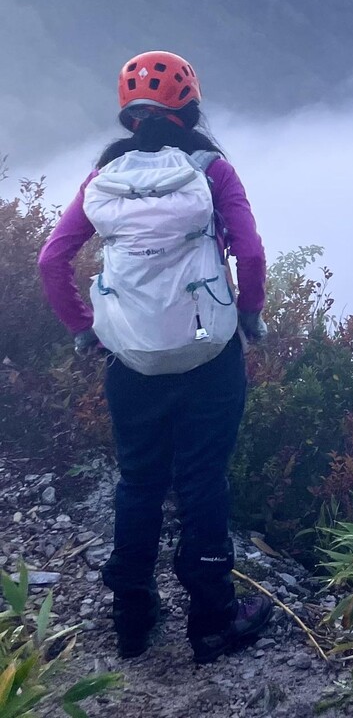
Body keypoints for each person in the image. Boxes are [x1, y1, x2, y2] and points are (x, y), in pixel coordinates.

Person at [38, 50, 273, 662]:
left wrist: (85, 330)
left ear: (129, 113)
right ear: (190, 108)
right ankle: (213, 620)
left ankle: (132, 617)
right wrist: (249, 316)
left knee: (139, 481)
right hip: (209, 355)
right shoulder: (212, 169)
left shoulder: (105, 177)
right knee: (203, 481)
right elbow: (249, 254)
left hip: (132, 361)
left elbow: (51, 260)